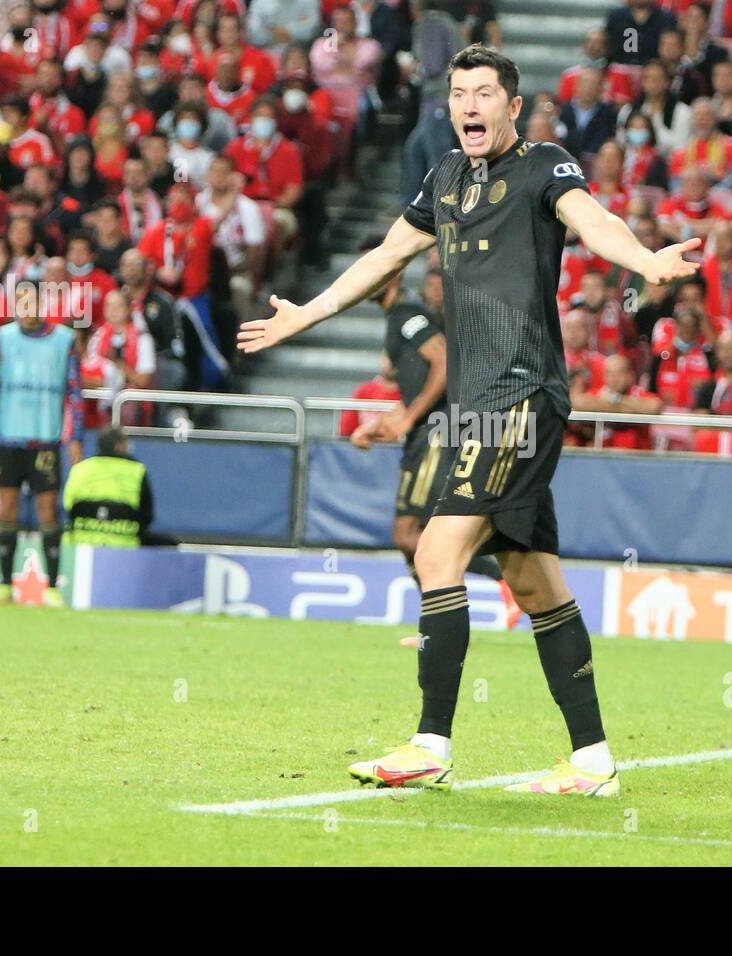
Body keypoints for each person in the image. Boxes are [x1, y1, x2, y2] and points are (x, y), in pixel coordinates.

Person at [238, 45, 701, 797]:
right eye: (459, 94)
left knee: (436, 551)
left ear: (512, 107)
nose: (471, 106)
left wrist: (645, 261)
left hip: (519, 395)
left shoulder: (545, 166)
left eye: (485, 93)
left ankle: (430, 742)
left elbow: (594, 220)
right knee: (532, 578)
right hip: (480, 403)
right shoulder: (446, 177)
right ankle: (592, 760)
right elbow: (387, 255)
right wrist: (308, 313)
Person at [348, 252, 507, 616]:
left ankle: (495, 583)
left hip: (434, 437)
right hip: (428, 432)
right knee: (410, 536)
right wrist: (387, 422)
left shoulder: (407, 317)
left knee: (412, 535)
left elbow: (444, 362)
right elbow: (421, 385)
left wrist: (410, 419)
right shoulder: (401, 316)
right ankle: (439, 618)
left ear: (392, 276)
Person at [0, 283, 84, 608]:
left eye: (32, 300)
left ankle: (51, 587)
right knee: (7, 508)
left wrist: (74, 435)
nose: (27, 306)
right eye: (20, 300)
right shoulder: (2, 338)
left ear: (42, 303)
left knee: (47, 509)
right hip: (10, 438)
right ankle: (5, 585)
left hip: (45, 439)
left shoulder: (64, 340)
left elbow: (74, 391)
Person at [63, 426, 158, 549]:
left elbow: (68, 506)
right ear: (118, 446)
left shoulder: (79, 469)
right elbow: (147, 515)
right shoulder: (136, 471)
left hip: (79, 545)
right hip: (124, 546)